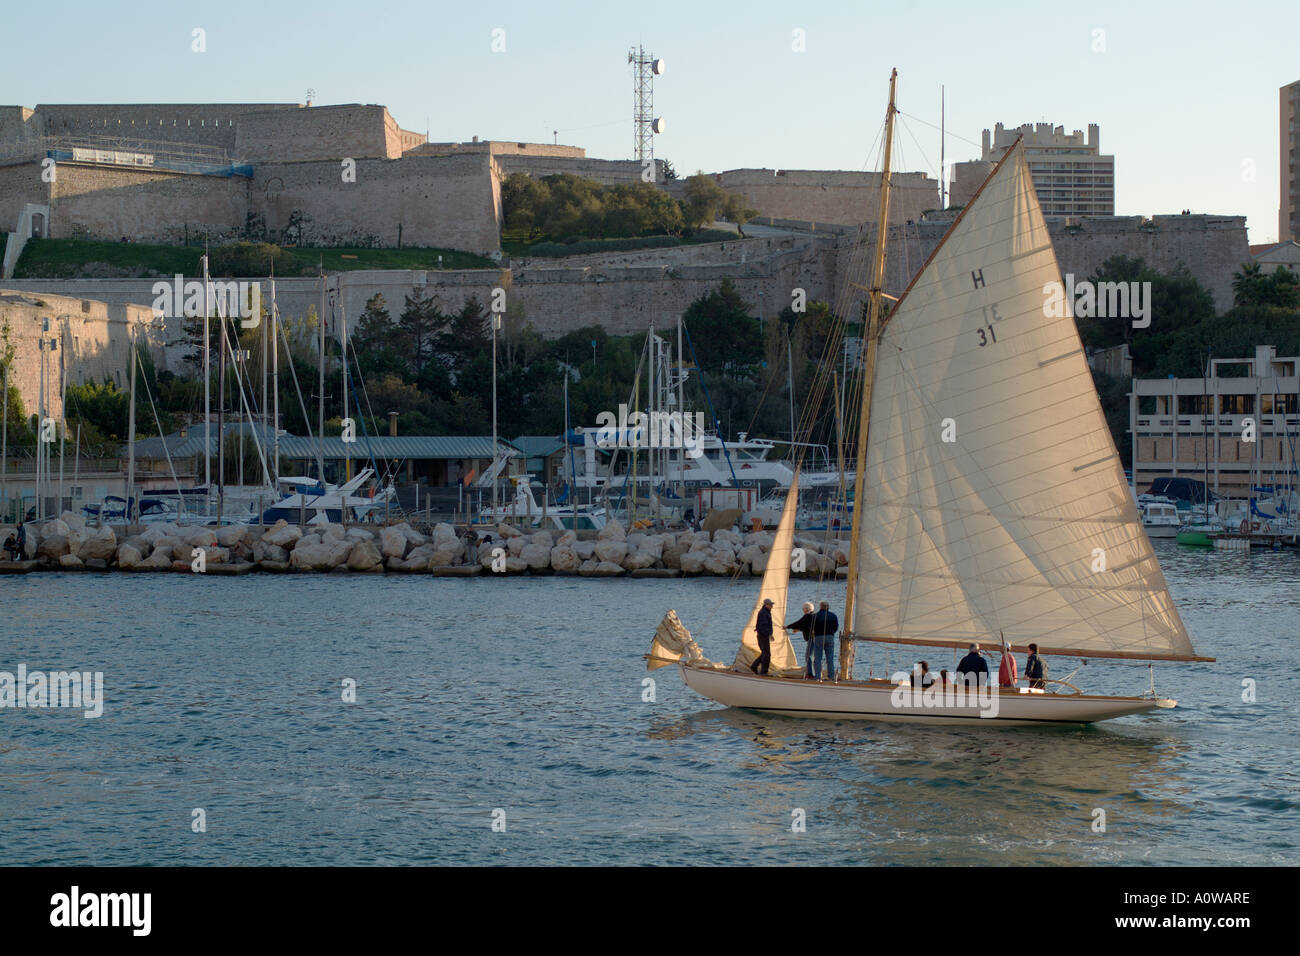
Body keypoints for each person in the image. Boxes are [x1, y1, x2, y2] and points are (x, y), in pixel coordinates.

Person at [784, 601, 816, 678]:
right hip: (816, 639)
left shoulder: (807, 616)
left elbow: (799, 623)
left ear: (806, 609)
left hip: (812, 639)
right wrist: (798, 629)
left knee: (808, 656)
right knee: (814, 657)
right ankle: (816, 673)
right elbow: (806, 626)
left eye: (803, 609)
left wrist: (787, 627)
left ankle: (810, 674)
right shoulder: (813, 616)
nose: (803, 611)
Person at [811, 601, 839, 682]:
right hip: (830, 637)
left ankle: (818, 677)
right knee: (830, 657)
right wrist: (831, 633)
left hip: (818, 637)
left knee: (818, 657)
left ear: (820, 607)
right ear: (828, 607)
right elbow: (836, 627)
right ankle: (831, 677)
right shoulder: (833, 616)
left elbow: (812, 627)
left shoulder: (815, 616)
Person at [750, 598, 774, 676]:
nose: (772, 606)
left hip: (762, 635)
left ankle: (754, 666)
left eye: (772, 605)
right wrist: (769, 635)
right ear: (766, 605)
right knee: (767, 654)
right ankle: (764, 672)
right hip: (763, 636)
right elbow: (763, 626)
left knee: (765, 653)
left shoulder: (766, 612)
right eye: (770, 605)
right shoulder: (763, 613)